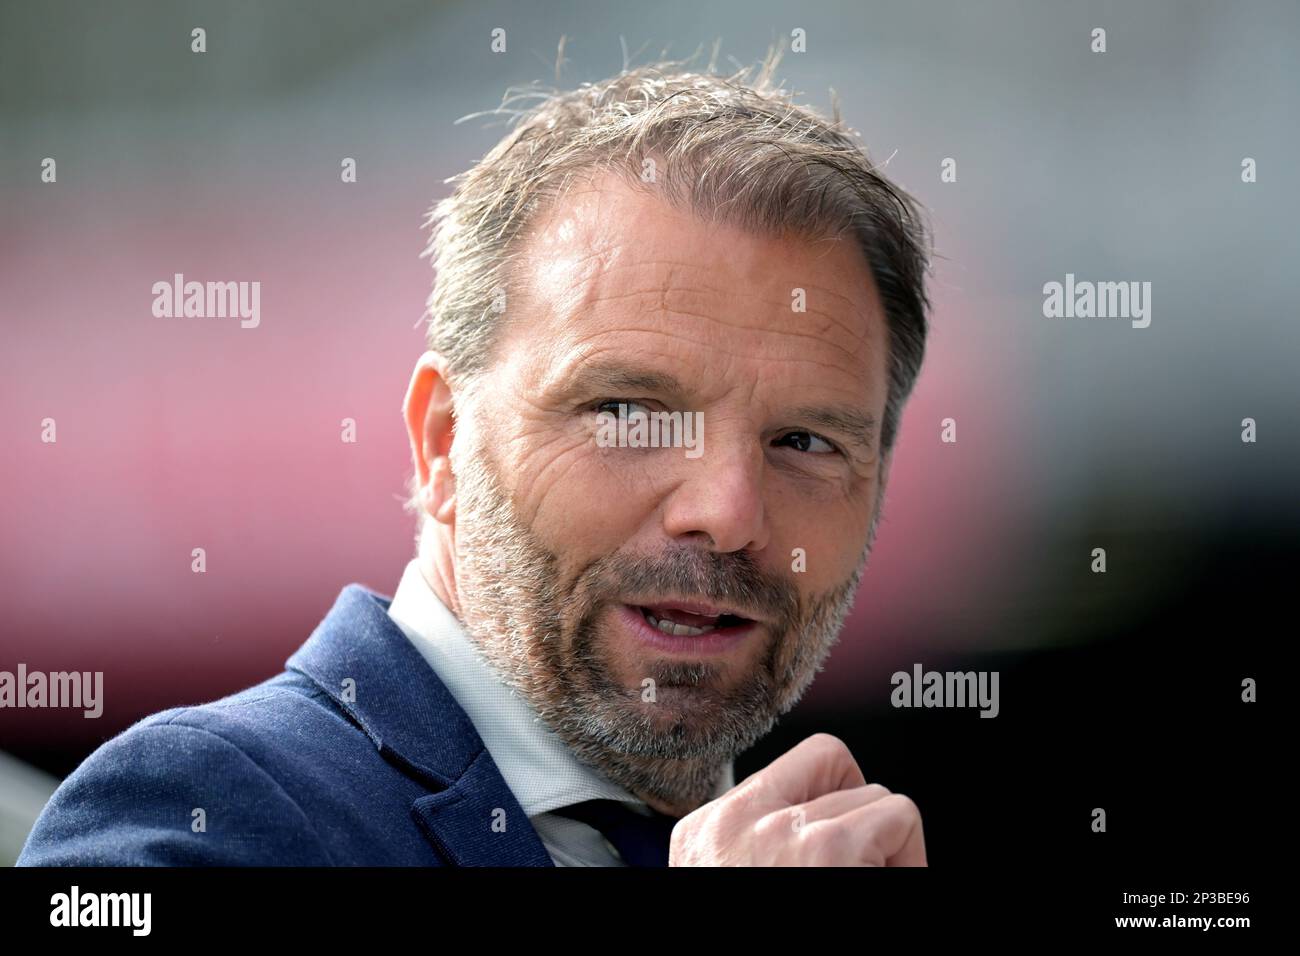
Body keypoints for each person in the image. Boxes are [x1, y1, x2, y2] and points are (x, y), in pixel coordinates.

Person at [19, 51, 932, 867]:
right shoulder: (197, 811)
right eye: (628, 413)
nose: (729, 511)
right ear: (442, 442)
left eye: (805, 443)